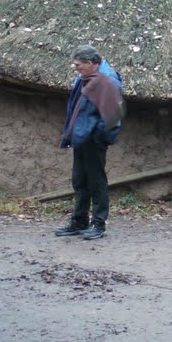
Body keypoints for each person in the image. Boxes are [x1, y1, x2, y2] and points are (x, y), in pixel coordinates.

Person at [55, 45, 123, 241]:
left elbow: (112, 116)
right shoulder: (84, 78)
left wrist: (98, 137)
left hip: (93, 138)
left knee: (96, 181)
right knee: (80, 180)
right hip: (81, 137)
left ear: (91, 63)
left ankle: (98, 223)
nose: (75, 68)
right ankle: (79, 220)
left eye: (79, 65)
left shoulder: (107, 81)